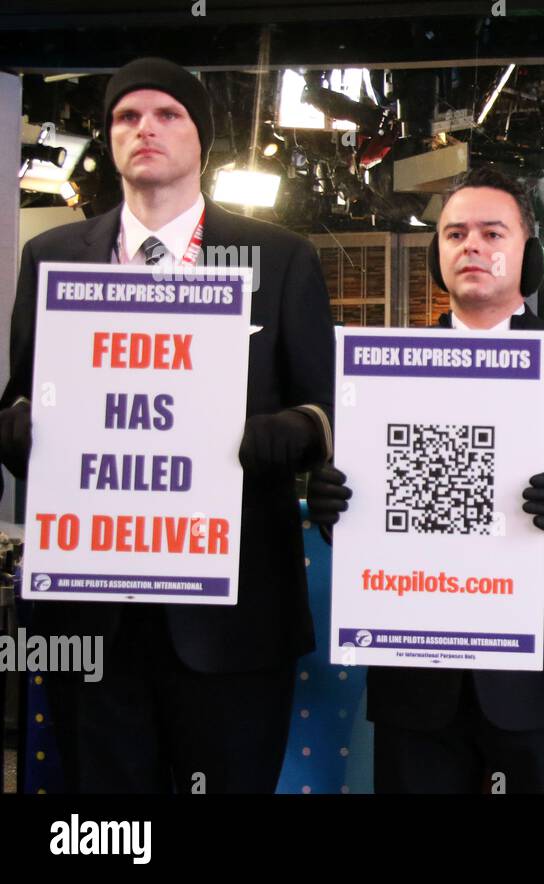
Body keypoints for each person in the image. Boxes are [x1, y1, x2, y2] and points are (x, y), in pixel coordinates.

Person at [0, 57, 334, 792]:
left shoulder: (279, 261)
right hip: (90, 616)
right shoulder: (52, 256)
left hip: (233, 615)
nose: (144, 128)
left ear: (202, 140)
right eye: (126, 116)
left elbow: (331, 408)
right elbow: (19, 398)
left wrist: (295, 431)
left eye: (167, 114)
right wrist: (18, 428)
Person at [307, 166, 544, 793]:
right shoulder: (383, 370)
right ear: (437, 255)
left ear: (528, 253)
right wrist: (335, 508)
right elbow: (363, 509)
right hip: (418, 682)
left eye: (493, 232)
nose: (473, 246)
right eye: (455, 233)